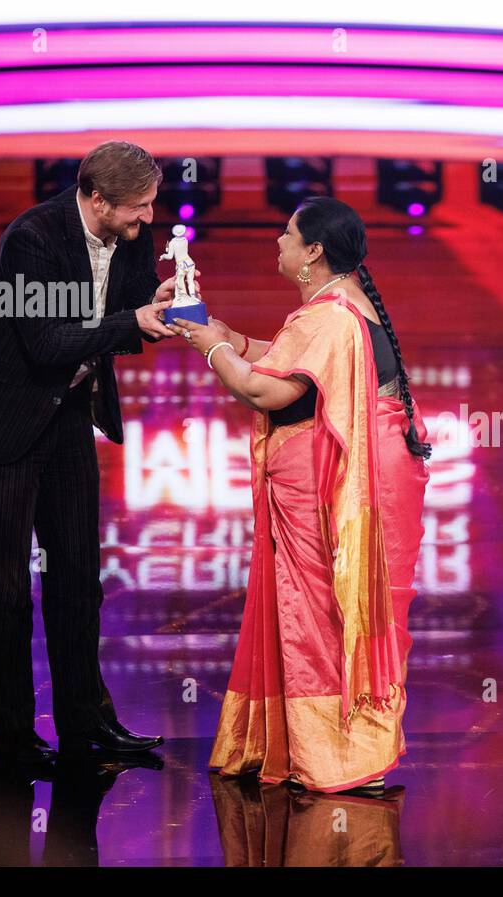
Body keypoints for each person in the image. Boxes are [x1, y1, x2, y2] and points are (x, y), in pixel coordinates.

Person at [176, 196, 431, 794]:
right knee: (351, 613)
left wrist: (208, 349)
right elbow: (294, 367)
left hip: (332, 493)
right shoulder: (341, 309)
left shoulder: (329, 317)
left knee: (321, 613)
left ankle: (339, 756)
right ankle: (342, 746)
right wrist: (233, 338)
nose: (279, 243)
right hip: (371, 484)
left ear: (314, 251)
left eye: (287, 235)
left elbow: (266, 395)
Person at [0, 141, 181, 766]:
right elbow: (47, 341)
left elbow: (123, 322)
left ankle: (86, 721)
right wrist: (134, 321)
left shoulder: (125, 237)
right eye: (138, 207)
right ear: (97, 199)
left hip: (69, 415)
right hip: (6, 422)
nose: (148, 219)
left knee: (78, 579)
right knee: (4, 590)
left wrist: (158, 304)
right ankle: (11, 737)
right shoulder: (32, 239)